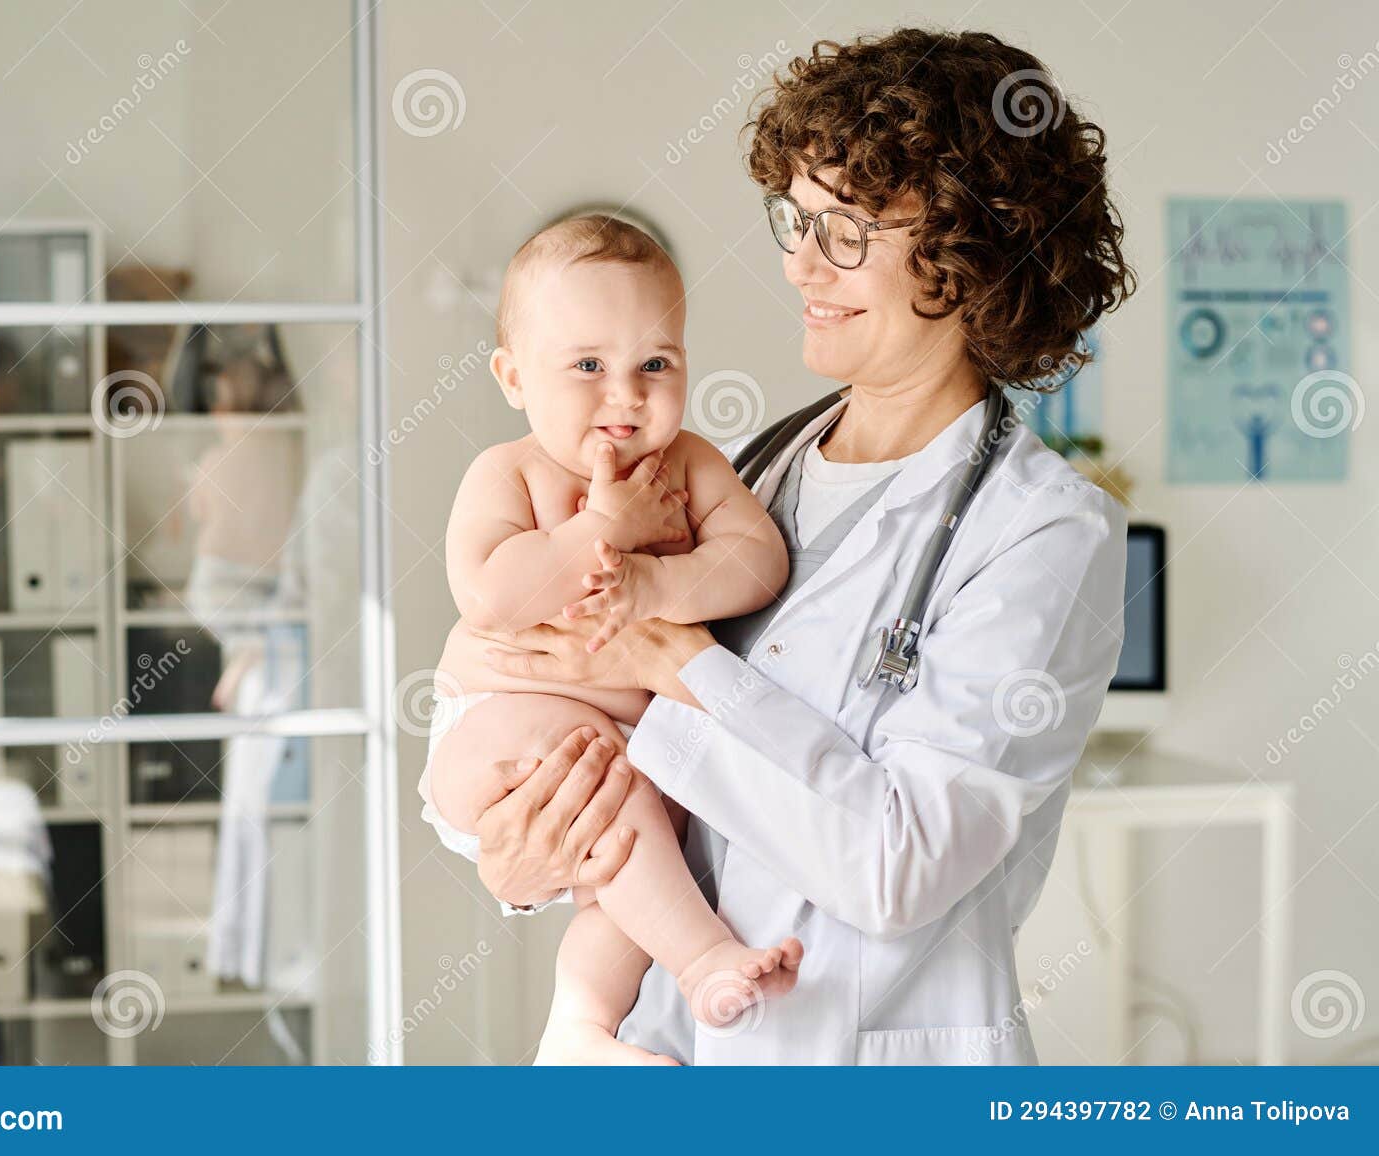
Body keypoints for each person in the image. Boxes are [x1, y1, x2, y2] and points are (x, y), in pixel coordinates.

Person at [468, 28, 1137, 1064]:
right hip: (653, 1047)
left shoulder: (1042, 533)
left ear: (967, 251)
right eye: (796, 220)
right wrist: (518, 855)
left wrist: (665, 653)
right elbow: (544, 707)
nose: (796, 263)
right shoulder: (740, 470)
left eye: (845, 232)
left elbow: (898, 862)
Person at [420, 215, 804, 1062]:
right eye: (588, 365)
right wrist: (600, 525)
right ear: (514, 376)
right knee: (609, 781)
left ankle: (582, 1027)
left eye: (655, 365)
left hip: (632, 749)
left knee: (631, 867)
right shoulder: (509, 472)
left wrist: (661, 583)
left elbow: (759, 562)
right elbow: (489, 596)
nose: (626, 394)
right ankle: (704, 962)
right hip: (503, 721)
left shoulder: (692, 464)